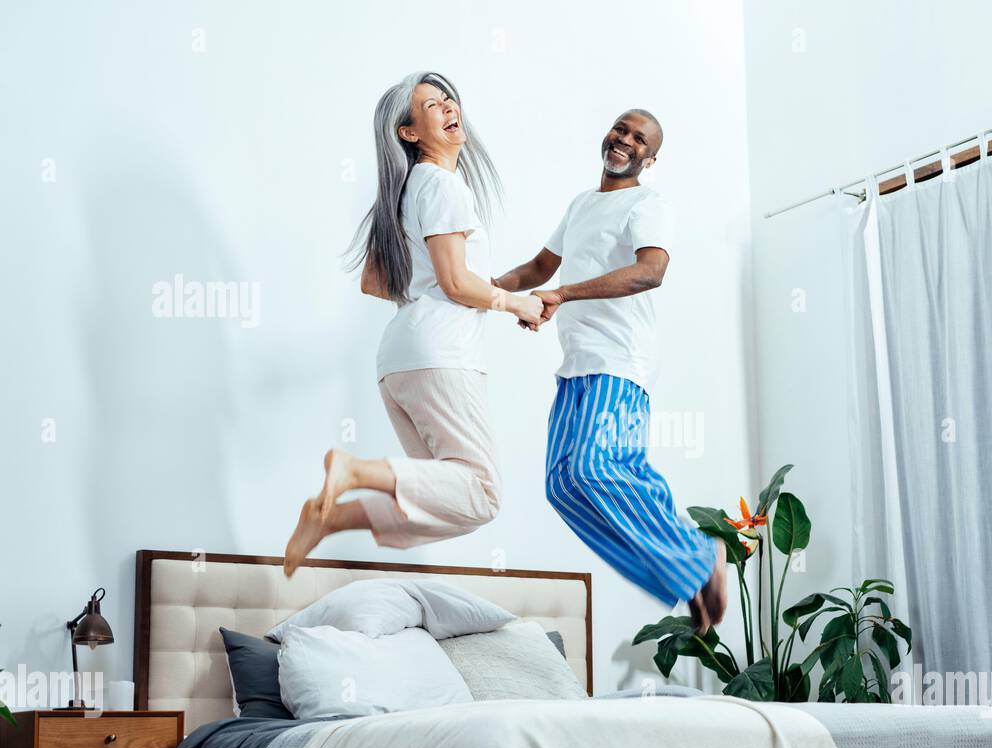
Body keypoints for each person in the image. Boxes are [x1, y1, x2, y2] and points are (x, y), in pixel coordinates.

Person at [283, 71, 544, 576]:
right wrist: (515, 305)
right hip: (441, 358)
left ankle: (333, 519)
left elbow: (378, 282)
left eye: (449, 100)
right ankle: (355, 470)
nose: (449, 108)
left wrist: (473, 289)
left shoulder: (406, 193)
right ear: (408, 132)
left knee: (447, 501)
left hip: (402, 362)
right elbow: (454, 283)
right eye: (431, 105)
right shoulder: (443, 185)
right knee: (483, 492)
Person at [493, 109, 727, 633]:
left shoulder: (648, 203)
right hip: (577, 364)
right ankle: (686, 569)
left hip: (620, 359)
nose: (624, 141)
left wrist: (564, 293)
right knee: (563, 485)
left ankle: (695, 556)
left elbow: (652, 271)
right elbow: (537, 268)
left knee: (596, 469)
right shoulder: (581, 204)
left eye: (639, 138)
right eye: (621, 129)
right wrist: (481, 291)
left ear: (651, 157)